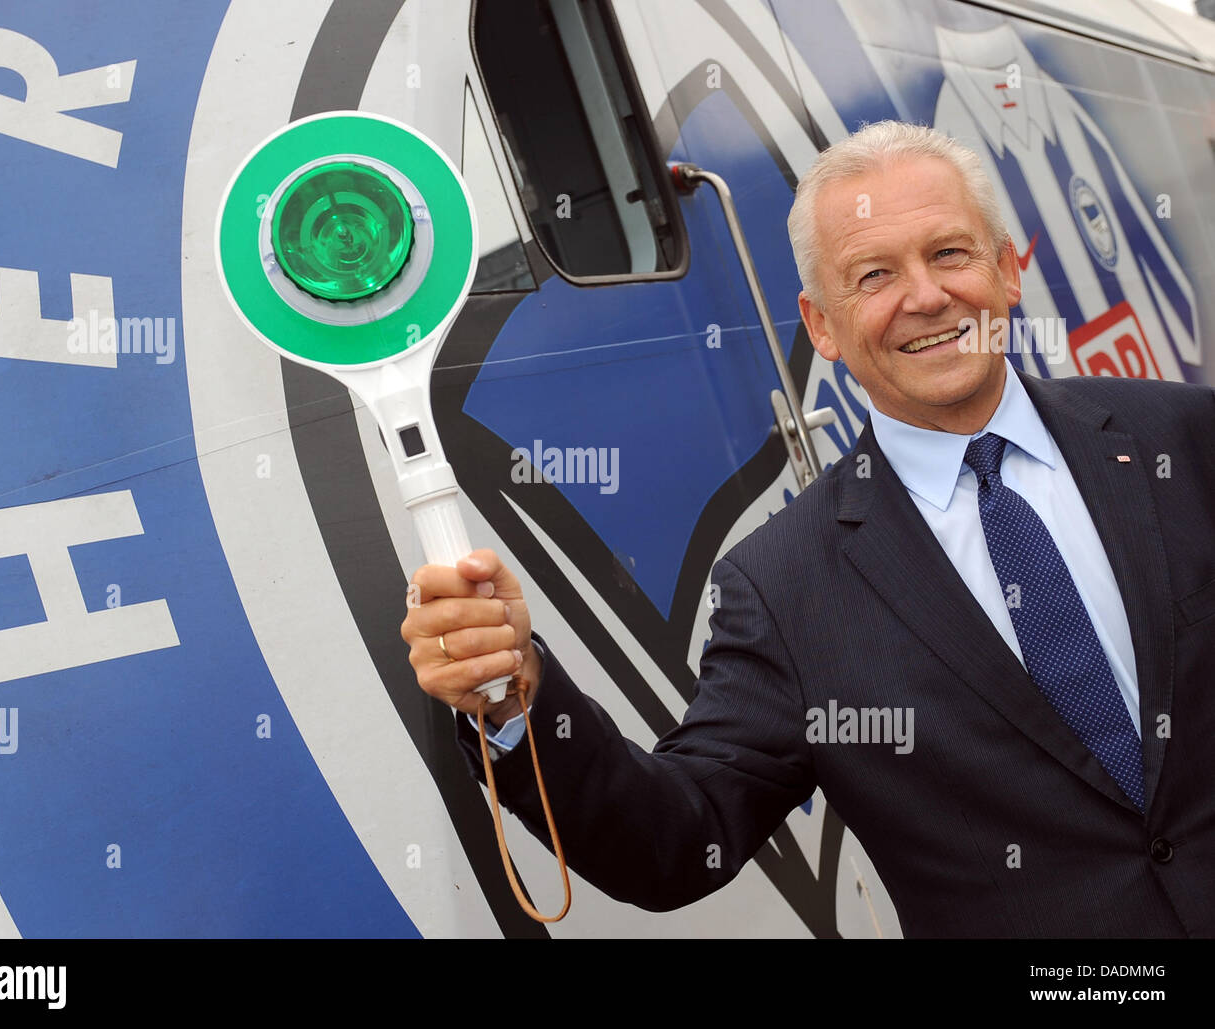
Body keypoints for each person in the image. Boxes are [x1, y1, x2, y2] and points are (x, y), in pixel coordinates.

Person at [400, 121, 1215, 937]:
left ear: (1007, 270)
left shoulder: (1184, 440)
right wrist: (513, 697)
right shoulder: (785, 588)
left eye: (950, 254)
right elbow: (676, 842)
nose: (926, 296)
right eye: (874, 275)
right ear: (821, 324)